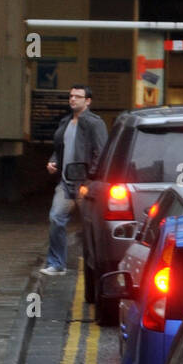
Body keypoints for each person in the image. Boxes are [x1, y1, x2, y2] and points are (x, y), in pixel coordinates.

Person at [41, 85, 108, 276]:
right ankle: (56, 264)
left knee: (91, 227)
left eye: (78, 97)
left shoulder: (95, 123)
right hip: (65, 182)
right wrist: (53, 161)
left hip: (85, 184)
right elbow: (59, 149)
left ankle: (97, 267)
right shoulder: (66, 122)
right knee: (56, 218)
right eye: (71, 96)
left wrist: (90, 177)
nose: (73, 100)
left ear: (88, 101)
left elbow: (101, 153)